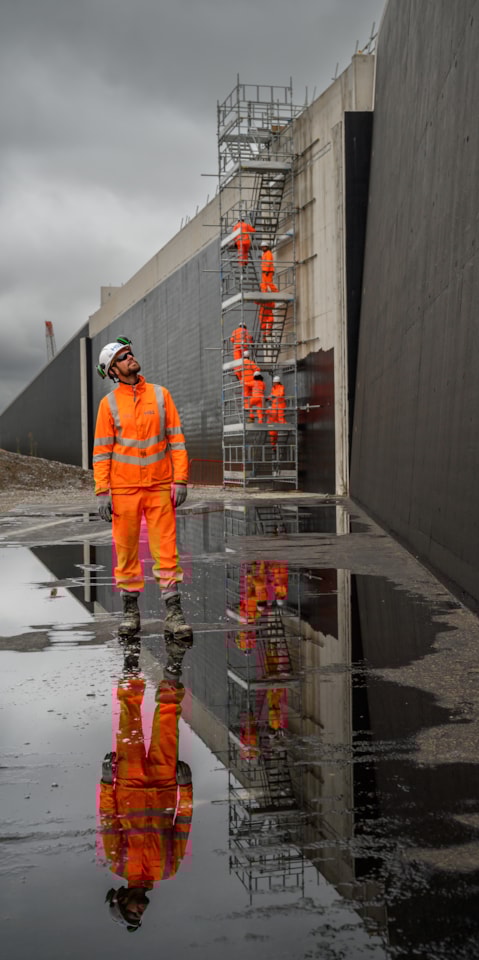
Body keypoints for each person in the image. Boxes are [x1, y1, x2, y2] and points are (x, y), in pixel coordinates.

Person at [93, 337, 192, 642]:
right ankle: (130, 613)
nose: (130, 359)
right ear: (113, 371)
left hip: (160, 487)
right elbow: (101, 451)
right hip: (123, 491)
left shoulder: (161, 396)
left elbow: (176, 440)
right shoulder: (108, 404)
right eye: (122, 358)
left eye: (130, 354)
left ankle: (174, 615)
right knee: (126, 553)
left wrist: (180, 479)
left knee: (166, 550)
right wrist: (102, 491)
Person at [100, 638, 192, 932]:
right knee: (167, 724)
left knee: (129, 720)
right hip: (165, 784)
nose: (141, 911)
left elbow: (108, 821)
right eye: (140, 916)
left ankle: (130, 669)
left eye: (133, 912)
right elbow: (183, 824)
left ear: (121, 900)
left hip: (127, 784)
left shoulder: (117, 865)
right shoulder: (169, 870)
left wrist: (106, 782)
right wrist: (186, 789)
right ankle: (173, 672)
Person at [267, 375, 286, 448]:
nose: (273, 383)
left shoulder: (281, 387)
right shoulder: (273, 388)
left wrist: (275, 395)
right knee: (273, 435)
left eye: (274, 382)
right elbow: (271, 395)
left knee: (281, 416)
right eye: (273, 382)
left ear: (277, 382)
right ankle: (273, 447)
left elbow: (281, 394)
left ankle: (282, 423)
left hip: (280, 405)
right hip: (275, 405)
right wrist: (268, 398)